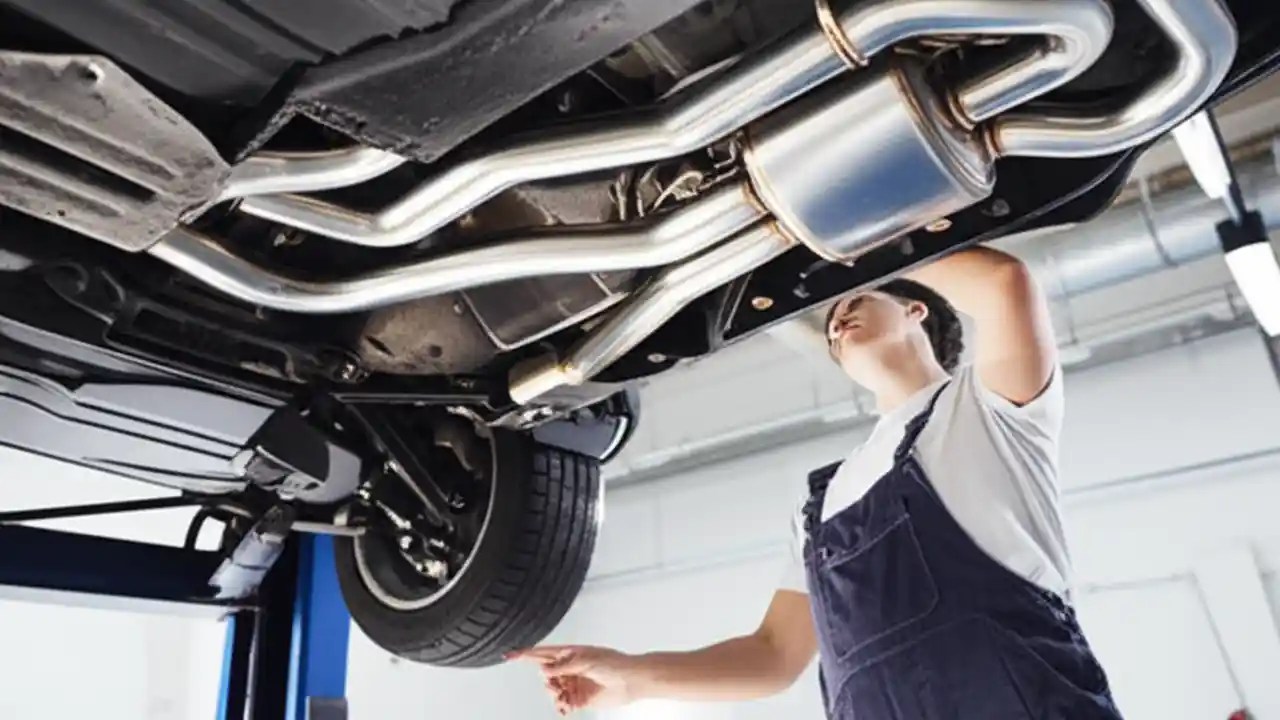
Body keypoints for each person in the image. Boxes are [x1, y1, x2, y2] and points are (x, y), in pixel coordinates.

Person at [511, 246, 1123, 718]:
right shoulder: (822, 505)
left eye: (857, 299)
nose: (838, 318)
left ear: (917, 307)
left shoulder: (990, 409)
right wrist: (631, 677)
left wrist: (861, 244)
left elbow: (1004, 285)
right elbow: (774, 655)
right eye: (831, 320)